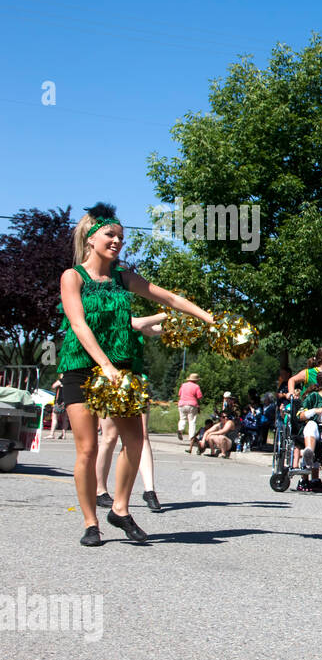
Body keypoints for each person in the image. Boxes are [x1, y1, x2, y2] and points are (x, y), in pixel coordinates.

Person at [58, 202, 213, 546]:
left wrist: (210, 319)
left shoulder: (124, 277)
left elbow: (169, 297)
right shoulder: (73, 277)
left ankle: (121, 508)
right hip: (82, 367)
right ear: (90, 238)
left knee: (135, 439)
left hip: (122, 368)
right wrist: (106, 366)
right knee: (87, 448)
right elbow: (79, 325)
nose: (117, 241)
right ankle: (89, 522)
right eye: (110, 235)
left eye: (120, 237)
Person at [96, 313, 167, 513]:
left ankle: (149, 490)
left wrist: (183, 323)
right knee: (109, 436)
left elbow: (153, 329)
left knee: (142, 435)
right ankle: (100, 490)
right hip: (113, 378)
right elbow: (141, 323)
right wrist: (169, 311)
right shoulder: (114, 317)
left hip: (136, 380)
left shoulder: (133, 320)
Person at [177, 372, 202, 442]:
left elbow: (179, 394)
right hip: (192, 405)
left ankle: (180, 429)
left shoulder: (183, 385)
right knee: (192, 421)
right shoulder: (196, 386)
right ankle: (191, 437)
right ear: (196, 380)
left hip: (181, 404)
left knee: (182, 419)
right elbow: (199, 396)